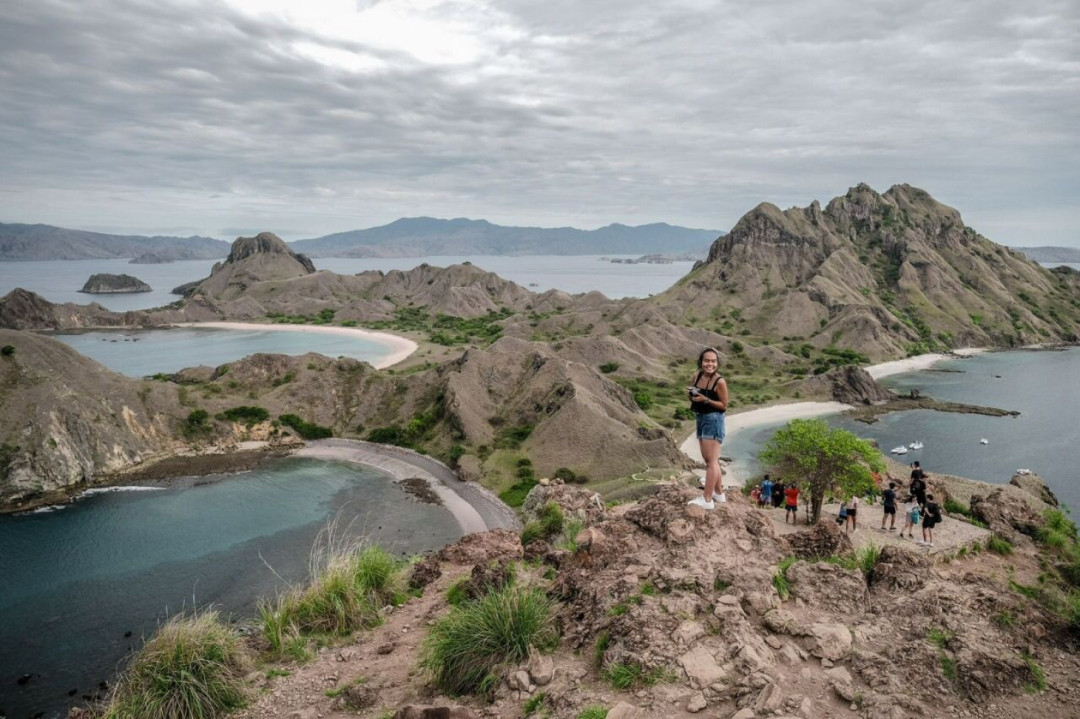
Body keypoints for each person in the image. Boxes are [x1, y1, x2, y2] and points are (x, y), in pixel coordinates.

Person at [687, 347, 729, 510]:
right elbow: (692, 396)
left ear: (717, 363)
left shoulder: (720, 382)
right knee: (712, 460)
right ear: (701, 362)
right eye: (707, 361)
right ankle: (718, 493)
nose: (709, 364)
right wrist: (692, 394)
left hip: (714, 419)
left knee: (711, 462)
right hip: (701, 418)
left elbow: (724, 406)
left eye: (713, 361)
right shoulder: (696, 376)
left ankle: (707, 499)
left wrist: (706, 400)